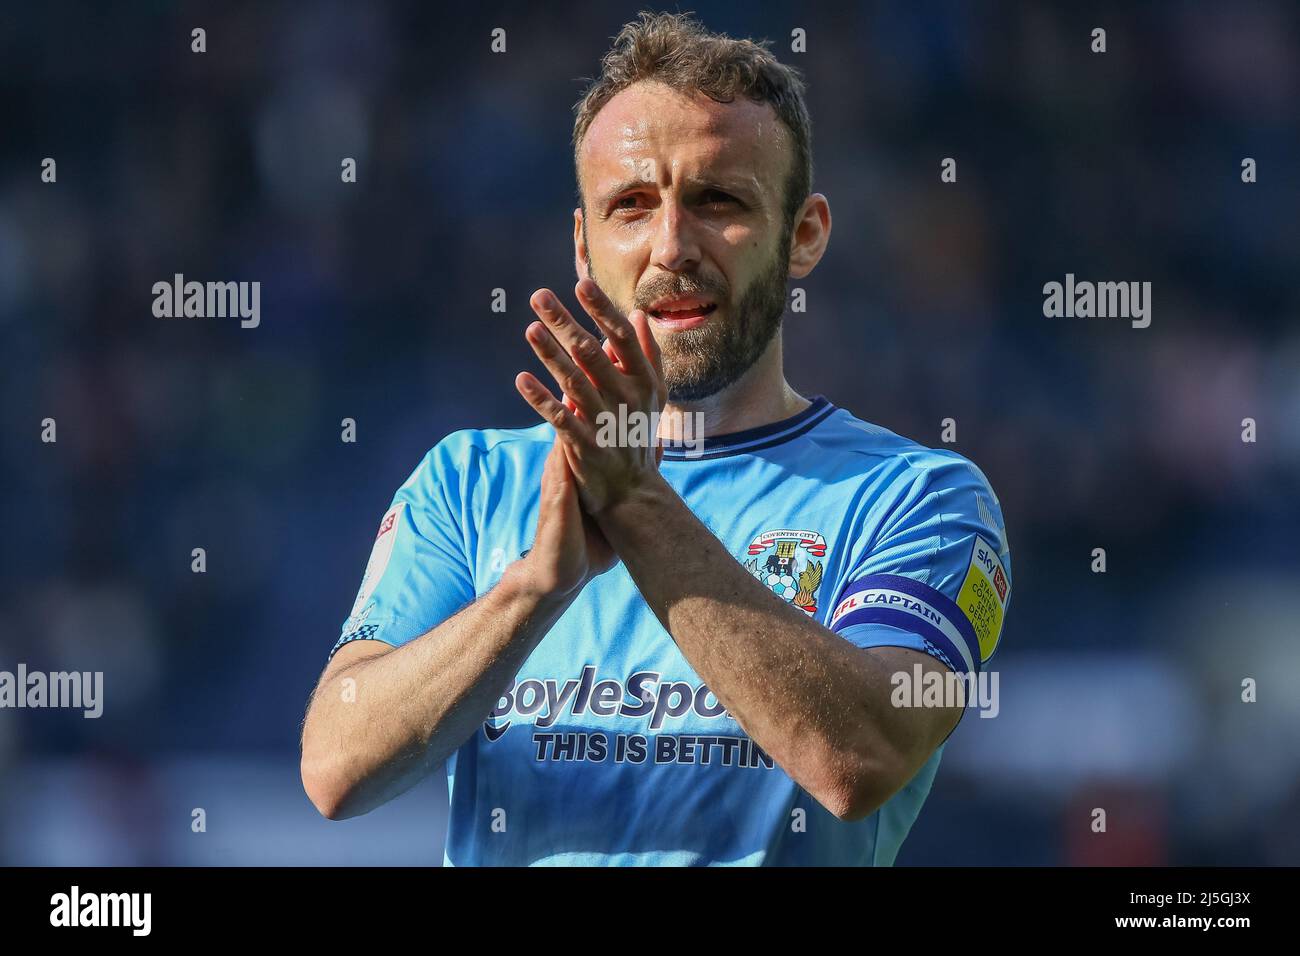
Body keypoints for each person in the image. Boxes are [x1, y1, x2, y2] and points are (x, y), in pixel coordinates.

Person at [300, 10, 1011, 865]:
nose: (671, 245)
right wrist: (531, 592)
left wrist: (635, 504)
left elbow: (858, 757)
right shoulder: (468, 483)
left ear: (805, 235)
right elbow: (335, 768)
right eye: (631, 206)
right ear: (582, 241)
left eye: (718, 201)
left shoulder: (919, 498)